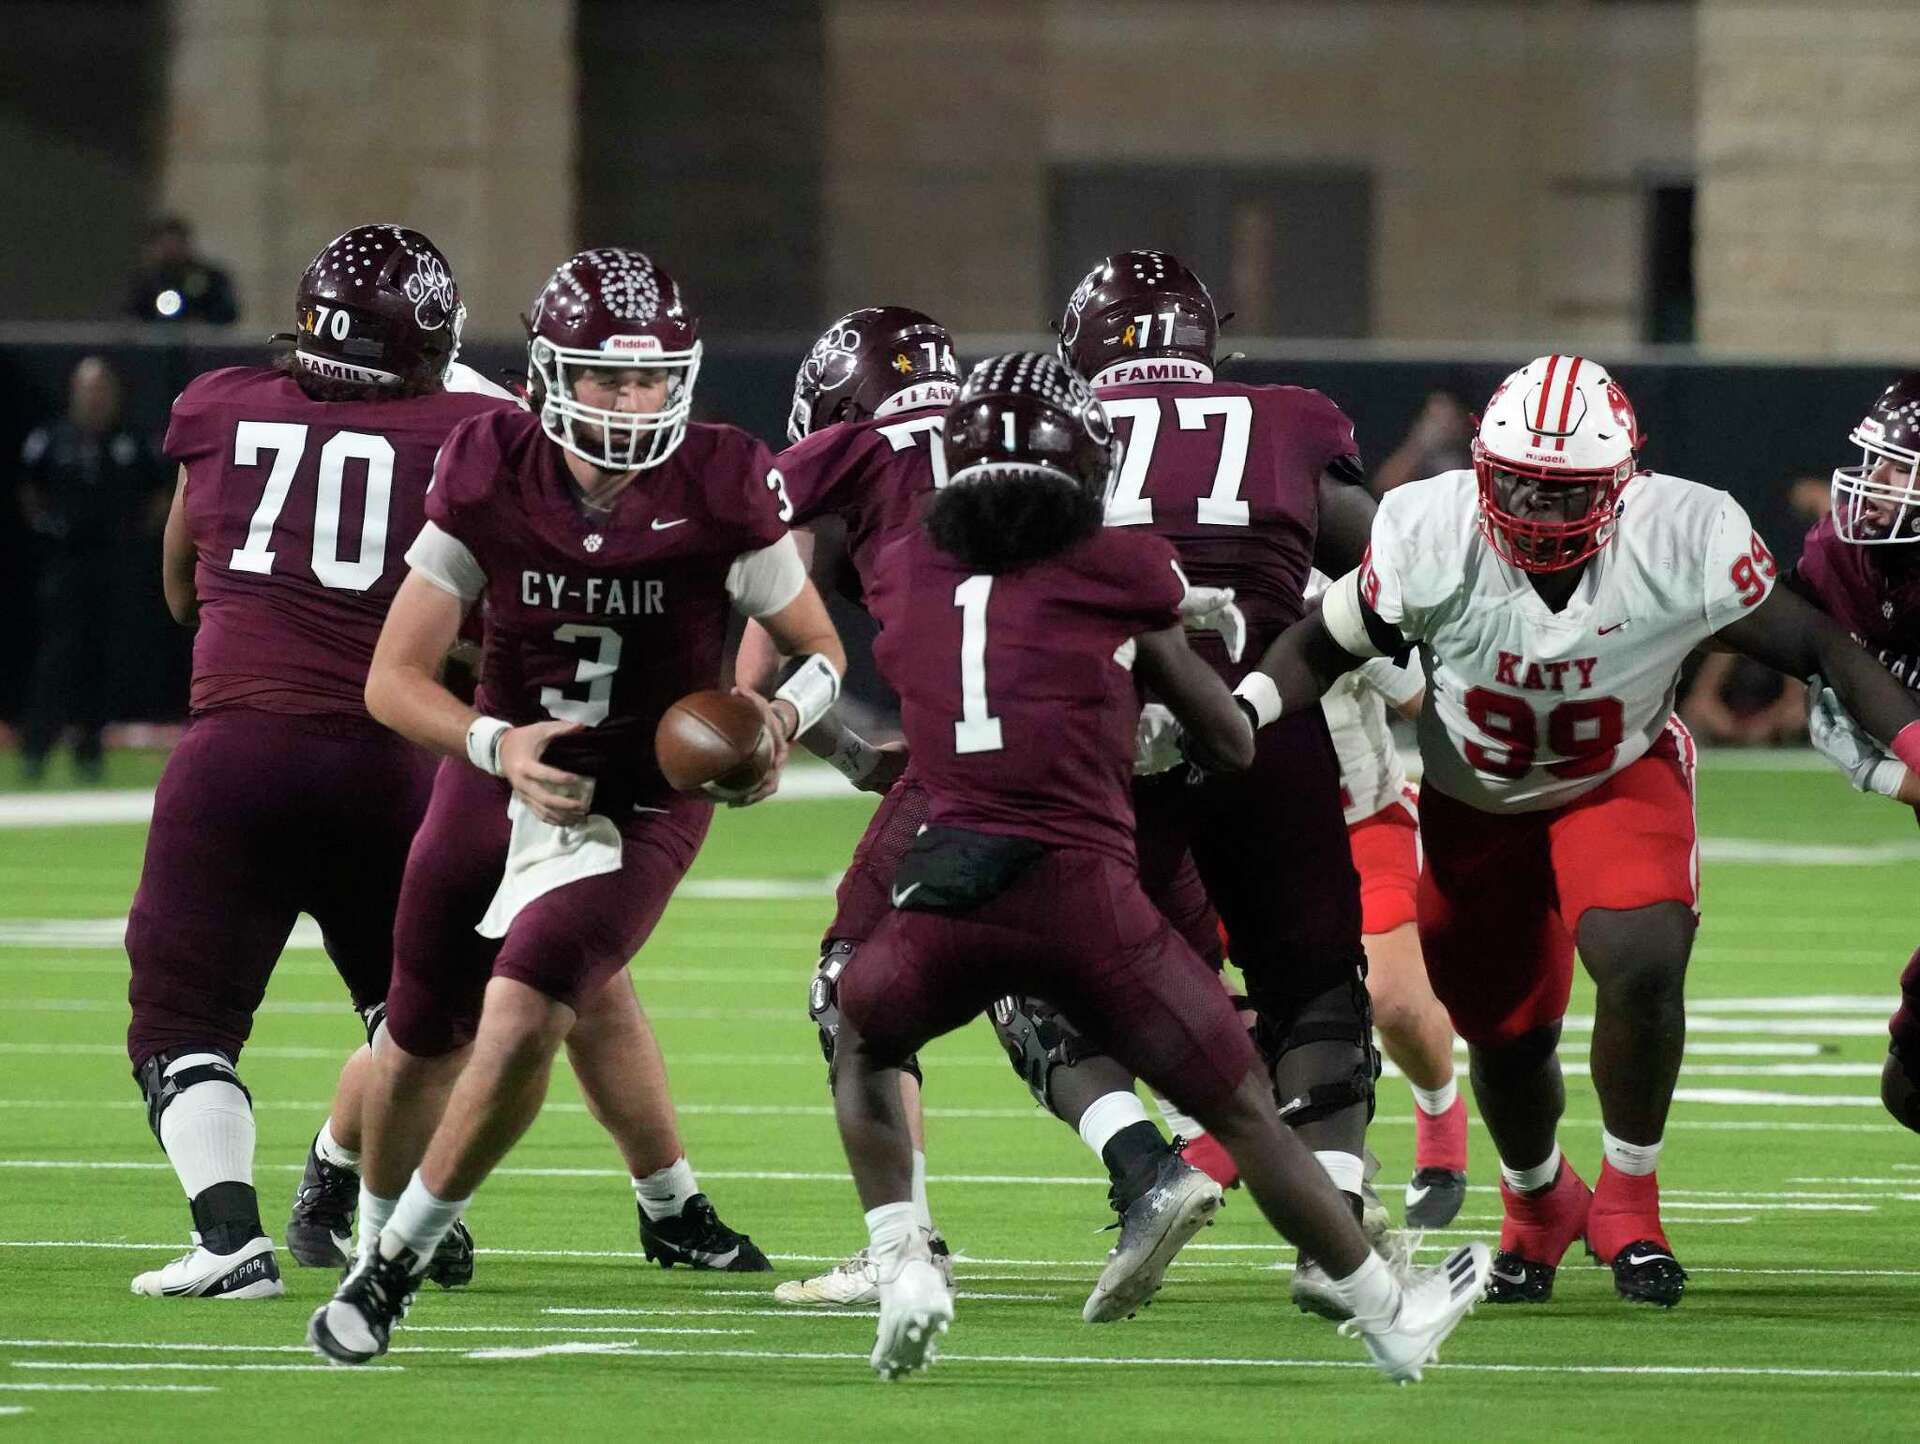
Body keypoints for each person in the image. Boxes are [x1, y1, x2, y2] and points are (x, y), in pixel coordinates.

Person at [830, 351, 1489, 1382]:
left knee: (865, 1039)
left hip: (945, 887)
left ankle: (902, 1260)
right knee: (1242, 1110)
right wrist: (1180, 665)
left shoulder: (905, 565)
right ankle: (1384, 1312)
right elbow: (1229, 740)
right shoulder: (1119, 564)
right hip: (1082, 894)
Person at [1241, 354, 1920, 1309]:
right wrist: (1245, 708)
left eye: (1563, 493)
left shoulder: (1684, 531)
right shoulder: (1428, 527)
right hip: (1474, 805)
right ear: (1483, 467)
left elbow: (1818, 645)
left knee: (1639, 951)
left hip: (1618, 776)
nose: (1536, 508)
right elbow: (1321, 642)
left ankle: (1631, 1201)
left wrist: (1915, 743)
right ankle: (1538, 1205)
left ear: (1619, 484)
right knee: (1504, 1031)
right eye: (1518, 482)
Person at [309, 248, 846, 1365]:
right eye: (606, 378)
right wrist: (495, 744)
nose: (634, 401)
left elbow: (821, 655)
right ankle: (365, 1227)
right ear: (552, 374)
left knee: (530, 1008)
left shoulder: (722, 478)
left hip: (641, 802)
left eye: (652, 380)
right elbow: (392, 678)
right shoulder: (487, 461)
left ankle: (392, 1269)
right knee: (415, 1041)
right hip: (498, 770)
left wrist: (778, 724)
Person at [751, 309, 1222, 1322]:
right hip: (1105, 740)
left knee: (853, 988)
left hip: (987, 765)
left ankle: (902, 1248)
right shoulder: (1025, 428)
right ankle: (1155, 1164)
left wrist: (769, 719)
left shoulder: (855, 450)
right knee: (1031, 960)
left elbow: (756, 589)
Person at [125, 224, 507, 1300]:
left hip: (233, 755)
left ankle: (227, 1238)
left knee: (184, 1019)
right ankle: (400, 1217)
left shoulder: (219, 403)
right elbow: (500, 618)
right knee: (417, 1015)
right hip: (395, 763)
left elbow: (179, 590)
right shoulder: (479, 431)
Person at [1059, 250, 1390, 1318]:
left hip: (1098, 728)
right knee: (1313, 980)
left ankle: (1143, 1163)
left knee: (1032, 957)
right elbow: (1386, 553)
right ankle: (1331, 1227)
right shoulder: (1288, 416)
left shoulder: (1047, 419)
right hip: (1259, 714)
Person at [1158, 571, 1468, 1228]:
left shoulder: (1330, 593)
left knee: (1391, 1000)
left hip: (1360, 818)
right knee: (1164, 977)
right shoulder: (1168, 588)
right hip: (1226, 827)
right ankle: (1243, 1133)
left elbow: (1429, 708)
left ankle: (1439, 1112)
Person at [1785, 373, 1920, 1134]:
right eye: (1875, 463)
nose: (1875, 486)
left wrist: (1884, 772)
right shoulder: (1846, 554)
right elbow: (1774, 623)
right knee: (1911, 1086)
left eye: (1900, 468)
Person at [16, 356, 167, 780]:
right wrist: (47, 525)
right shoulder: (51, 437)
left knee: (102, 660)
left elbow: (160, 492)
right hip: (66, 565)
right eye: (88, 390)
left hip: (113, 564)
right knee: (56, 659)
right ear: (74, 394)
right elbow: (29, 486)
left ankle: (89, 752)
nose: (96, 399)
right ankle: (36, 749)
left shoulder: (133, 441)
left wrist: (136, 533)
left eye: (102, 390)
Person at [126, 216, 239, 326]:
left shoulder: (211, 278)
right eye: (164, 245)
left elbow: (226, 313)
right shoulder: (143, 281)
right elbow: (130, 315)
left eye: (176, 244)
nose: (171, 250)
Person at [1370, 387, 1473, 498]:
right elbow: (1384, 488)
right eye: (1435, 419)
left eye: (1450, 418)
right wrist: (1419, 445)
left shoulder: (1475, 452)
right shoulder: (1416, 453)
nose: (1444, 426)